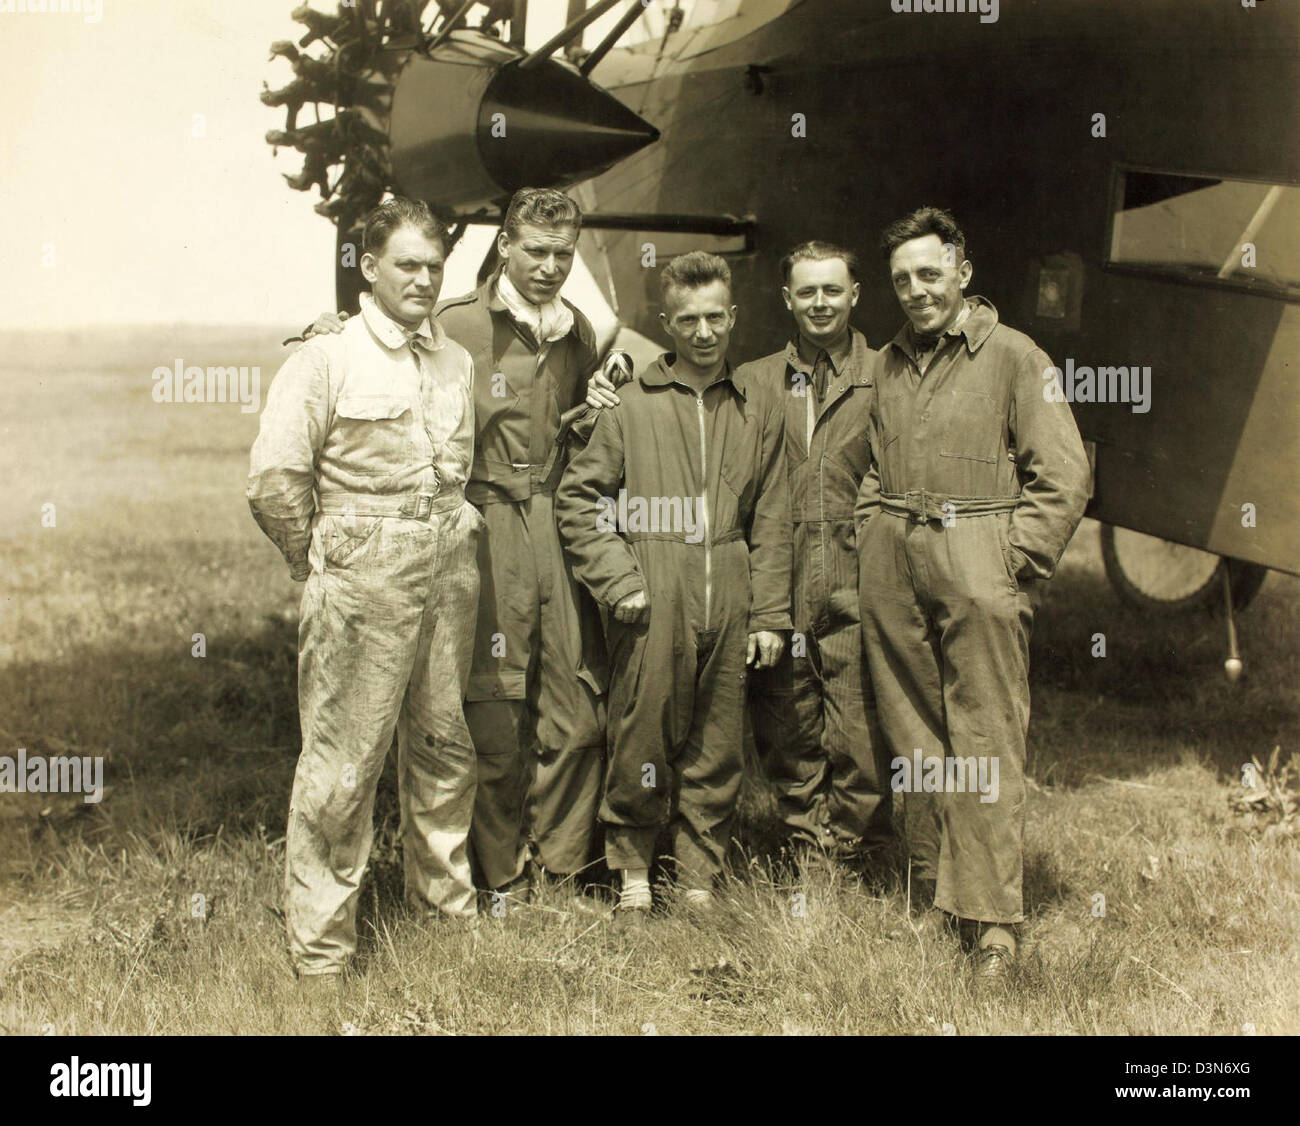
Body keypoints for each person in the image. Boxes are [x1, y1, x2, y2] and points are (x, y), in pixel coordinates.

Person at [307, 188, 607, 906]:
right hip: (483, 519)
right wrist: (330, 329)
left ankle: (562, 866)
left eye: (563, 254)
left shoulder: (579, 333)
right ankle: (500, 875)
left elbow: (579, 426)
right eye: (535, 250)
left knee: (576, 702)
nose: (549, 266)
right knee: (492, 704)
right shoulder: (453, 326)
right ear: (504, 246)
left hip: (558, 521)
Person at [248, 197, 482, 984]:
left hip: (447, 563)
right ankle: (321, 951)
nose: (423, 279)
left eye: (434, 266)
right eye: (407, 265)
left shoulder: (456, 360)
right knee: (344, 766)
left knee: (446, 748)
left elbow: (458, 466)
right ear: (369, 267)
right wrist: (318, 565)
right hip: (360, 572)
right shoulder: (326, 356)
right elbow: (275, 480)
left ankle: (445, 918)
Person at [855, 207, 1090, 977]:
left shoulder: (1016, 356)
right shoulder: (887, 363)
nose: (917, 291)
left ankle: (993, 923)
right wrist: (872, 533)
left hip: (979, 554)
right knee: (916, 735)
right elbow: (869, 464)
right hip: (896, 558)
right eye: (902, 280)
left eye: (930, 274)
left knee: (984, 739)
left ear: (963, 272)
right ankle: (935, 893)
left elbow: (1063, 475)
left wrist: (1009, 562)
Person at [556, 251, 792, 918]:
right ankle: (632, 870)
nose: (704, 331)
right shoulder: (630, 404)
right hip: (653, 589)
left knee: (717, 742)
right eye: (687, 319)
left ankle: (697, 877)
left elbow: (772, 514)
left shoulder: (756, 409)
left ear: (733, 317)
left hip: (732, 587)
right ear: (668, 322)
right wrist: (618, 579)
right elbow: (580, 502)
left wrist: (771, 615)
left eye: (716, 316)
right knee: (642, 731)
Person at [737, 242, 893, 863]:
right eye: (807, 292)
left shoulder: (886, 375)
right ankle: (807, 840)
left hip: (856, 568)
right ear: (787, 299)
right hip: (781, 564)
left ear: (855, 294)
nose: (820, 303)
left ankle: (859, 849)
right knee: (788, 718)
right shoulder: (753, 381)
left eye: (833, 290)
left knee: (859, 720)